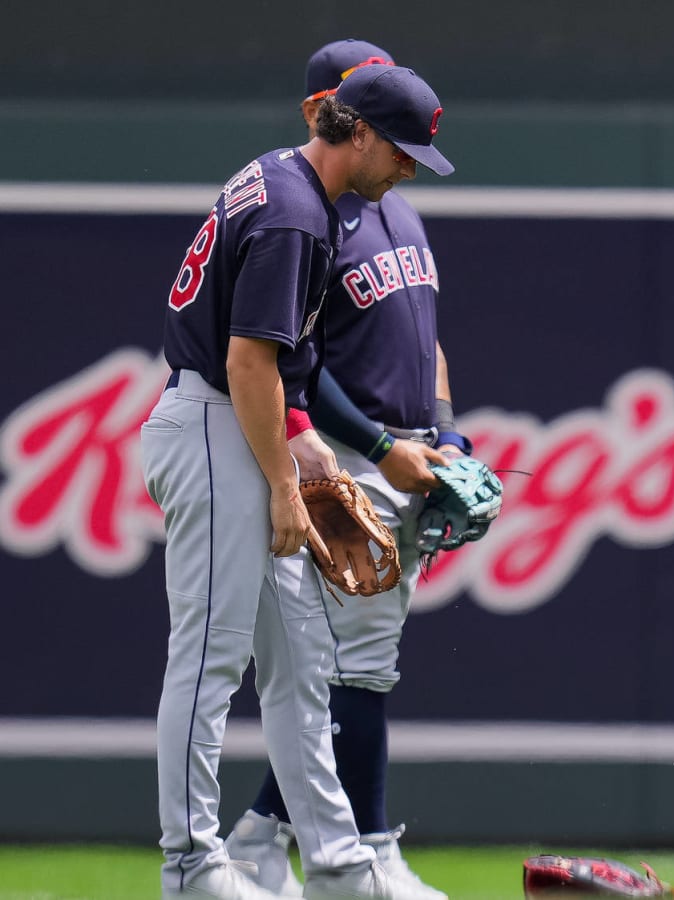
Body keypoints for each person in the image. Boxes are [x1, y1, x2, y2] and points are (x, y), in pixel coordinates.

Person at [141, 61, 454, 900]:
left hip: (248, 422)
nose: (409, 168)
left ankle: (338, 863)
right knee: (209, 661)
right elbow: (247, 361)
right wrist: (284, 483)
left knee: (305, 662)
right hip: (216, 423)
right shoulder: (296, 215)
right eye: (403, 150)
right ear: (357, 131)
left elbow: (281, 363)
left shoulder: (287, 184)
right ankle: (191, 866)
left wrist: (305, 439)